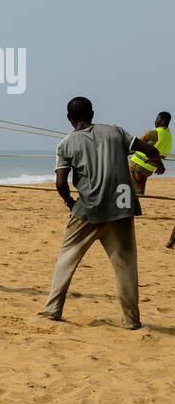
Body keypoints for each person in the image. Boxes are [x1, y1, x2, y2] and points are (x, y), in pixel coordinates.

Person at [43, 97, 165, 329]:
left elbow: (60, 183)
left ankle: (52, 311)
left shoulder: (65, 144)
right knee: (126, 266)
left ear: (69, 118)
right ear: (93, 113)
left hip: (88, 210)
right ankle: (131, 320)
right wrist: (156, 160)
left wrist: (70, 202)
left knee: (67, 258)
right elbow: (148, 149)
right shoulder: (115, 131)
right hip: (122, 207)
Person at [128, 111, 171, 195]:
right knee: (139, 192)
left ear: (163, 121)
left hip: (136, 166)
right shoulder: (169, 136)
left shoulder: (153, 133)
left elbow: (136, 146)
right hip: (148, 169)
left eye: (157, 119)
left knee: (129, 192)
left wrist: (121, 152)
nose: (155, 121)